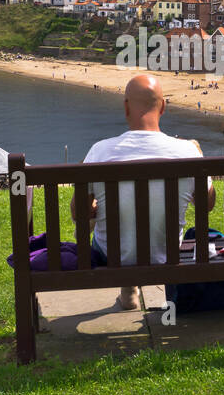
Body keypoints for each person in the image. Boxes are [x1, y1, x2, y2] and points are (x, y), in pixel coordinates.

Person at [75, 73, 214, 310]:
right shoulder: (187, 151)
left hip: (113, 257)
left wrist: (94, 207)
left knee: (95, 222)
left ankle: (129, 289)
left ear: (126, 108)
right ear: (163, 107)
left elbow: (78, 214)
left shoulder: (100, 151)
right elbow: (206, 204)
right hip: (167, 254)